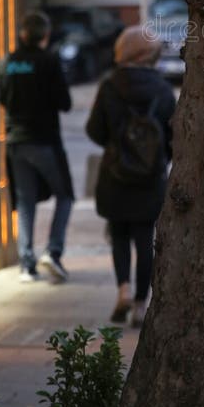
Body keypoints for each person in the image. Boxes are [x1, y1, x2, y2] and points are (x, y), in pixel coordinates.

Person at [86, 25, 176, 328]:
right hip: (150, 180)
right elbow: (173, 137)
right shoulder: (163, 90)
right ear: (150, 53)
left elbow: (94, 131)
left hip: (115, 176)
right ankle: (140, 304)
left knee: (119, 235)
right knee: (143, 238)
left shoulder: (110, 86)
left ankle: (122, 288)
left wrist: (118, 145)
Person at [0, 10, 74, 283]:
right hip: (44, 141)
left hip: (16, 142)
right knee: (65, 195)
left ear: (22, 34)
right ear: (46, 35)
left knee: (25, 201)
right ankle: (53, 251)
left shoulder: (8, 62)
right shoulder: (49, 61)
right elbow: (65, 103)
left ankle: (26, 265)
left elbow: (2, 98)